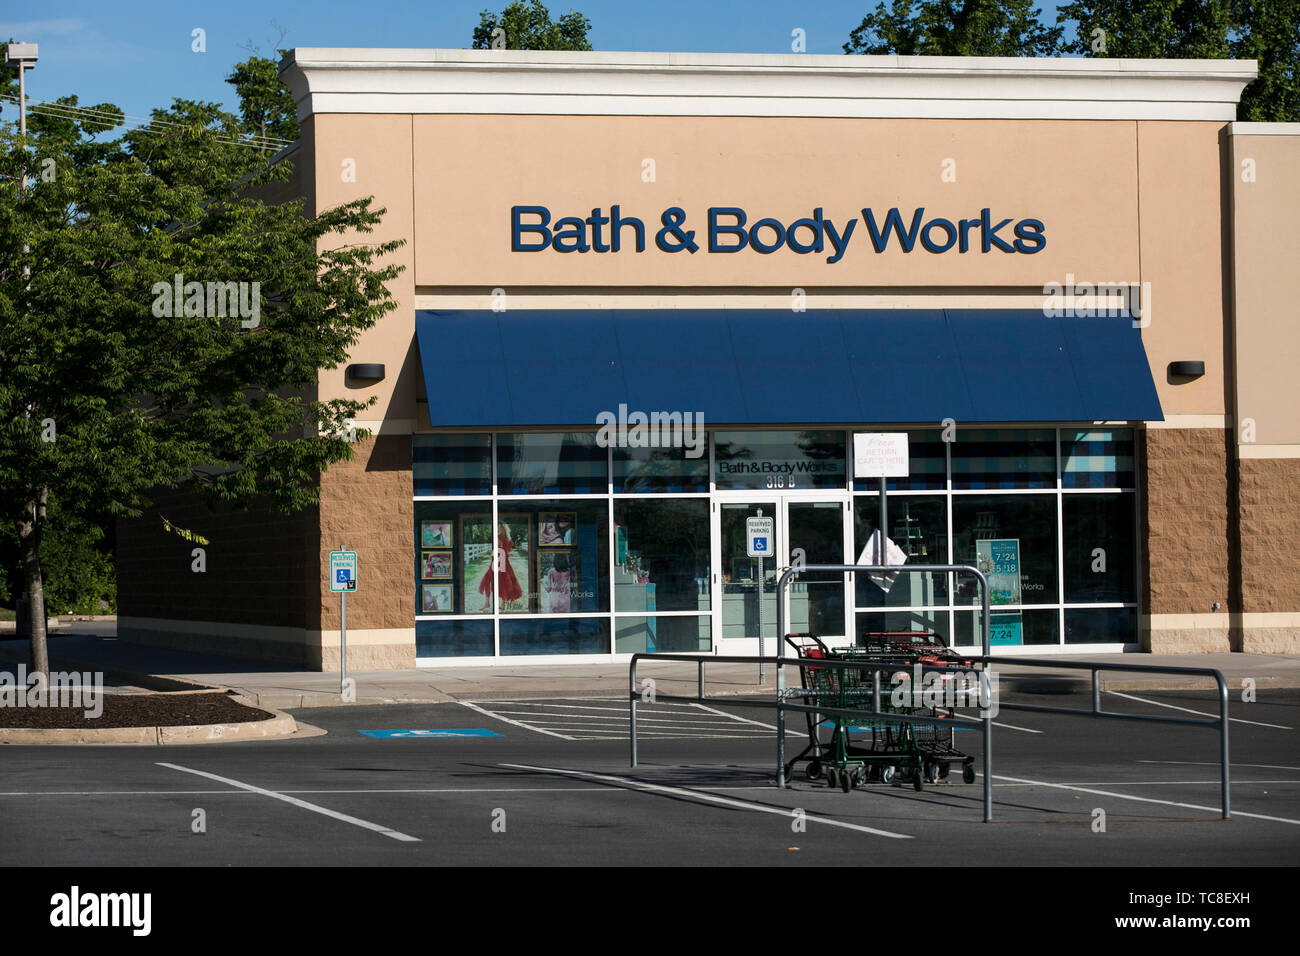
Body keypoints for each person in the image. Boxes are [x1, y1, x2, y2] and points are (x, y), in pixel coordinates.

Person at [478, 523, 524, 611]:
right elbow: (507, 551)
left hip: (497, 562)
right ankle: (502, 605)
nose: (496, 530)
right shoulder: (508, 540)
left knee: (488, 581)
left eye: (498, 528)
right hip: (505, 563)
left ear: (501, 529)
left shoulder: (498, 538)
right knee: (504, 583)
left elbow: (496, 551)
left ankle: (487, 603)